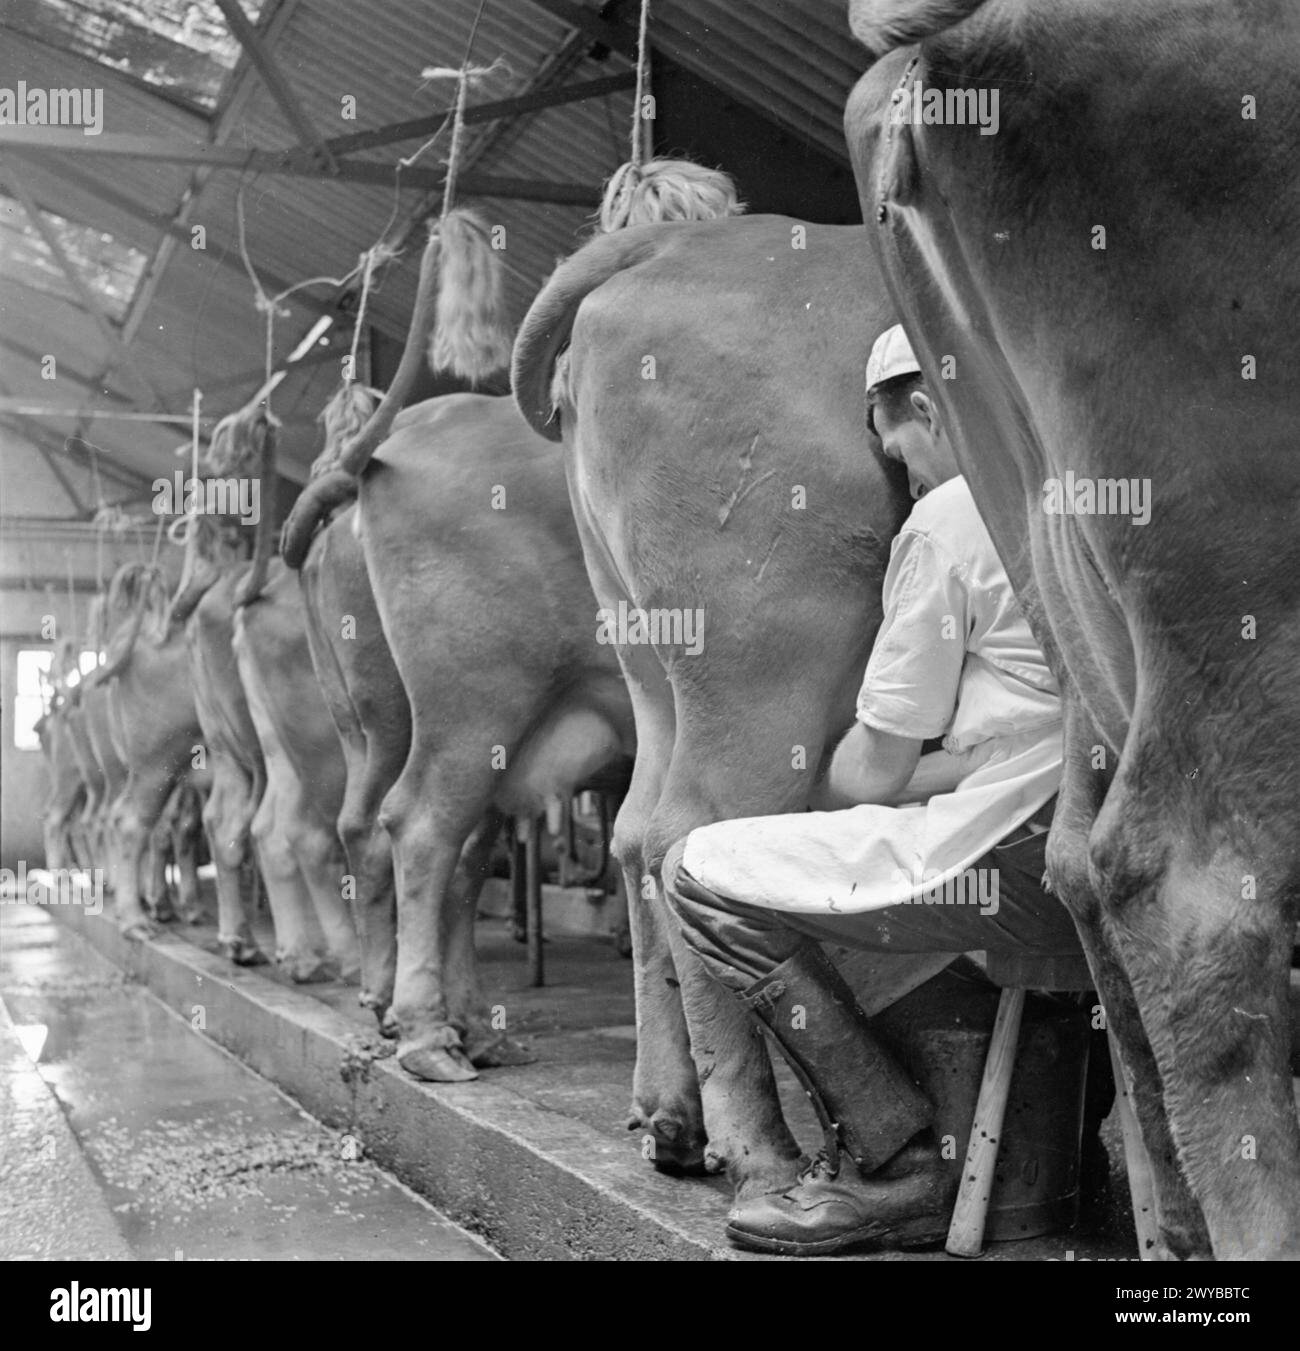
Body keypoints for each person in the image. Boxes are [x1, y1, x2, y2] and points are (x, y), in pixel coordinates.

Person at [662, 324, 1085, 1256]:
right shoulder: (1084, 485)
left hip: (1020, 858)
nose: (905, 473)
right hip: (1107, 847)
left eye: (898, 448)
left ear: (929, 408)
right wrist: (968, 766)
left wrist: (814, 773)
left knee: (697, 871)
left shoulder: (951, 518)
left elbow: (877, 770)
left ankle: (894, 1161)